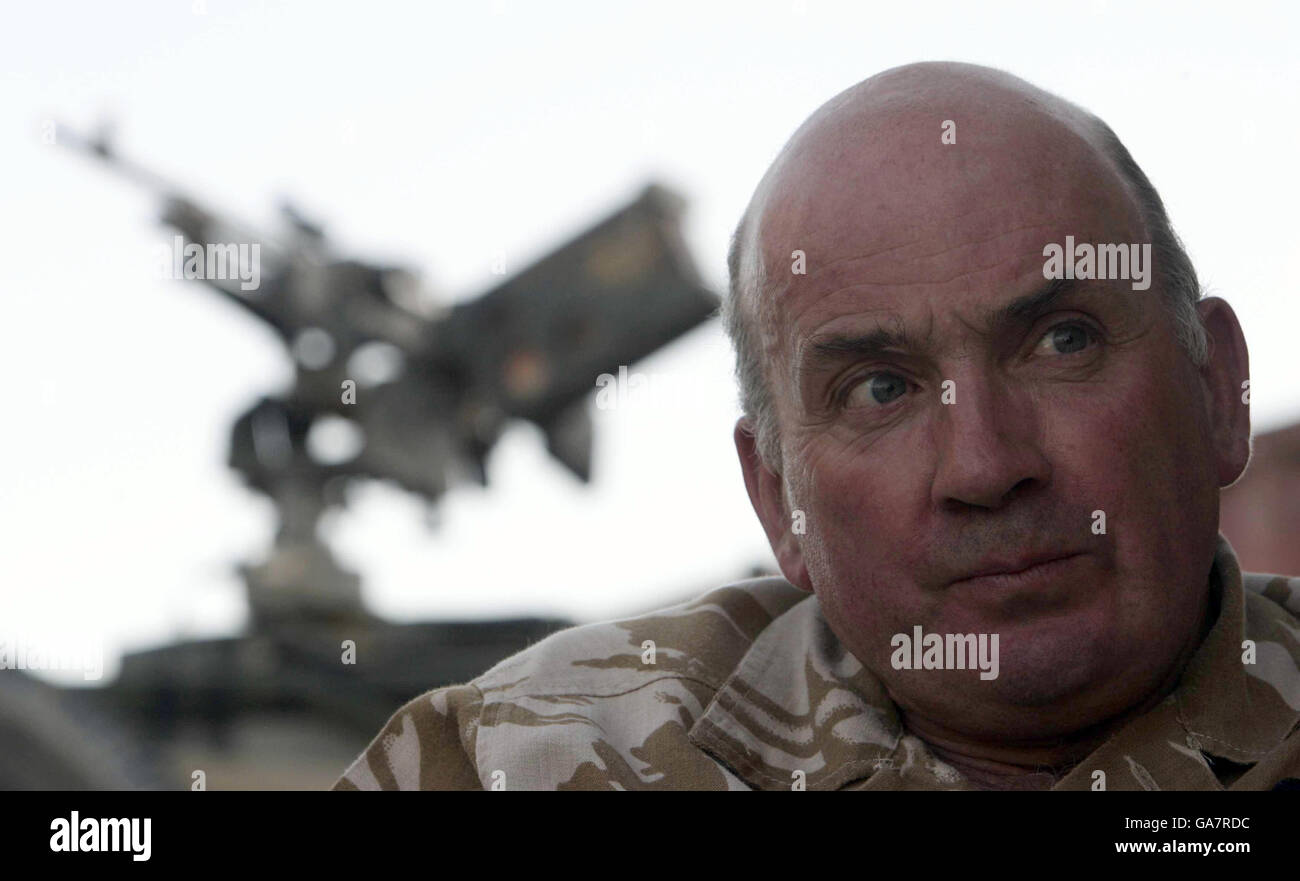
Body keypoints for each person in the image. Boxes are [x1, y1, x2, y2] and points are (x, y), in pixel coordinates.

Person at [333, 62, 1300, 791]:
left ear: (1220, 390)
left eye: (1060, 340)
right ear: (777, 501)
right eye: (880, 391)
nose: (986, 463)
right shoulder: (514, 760)